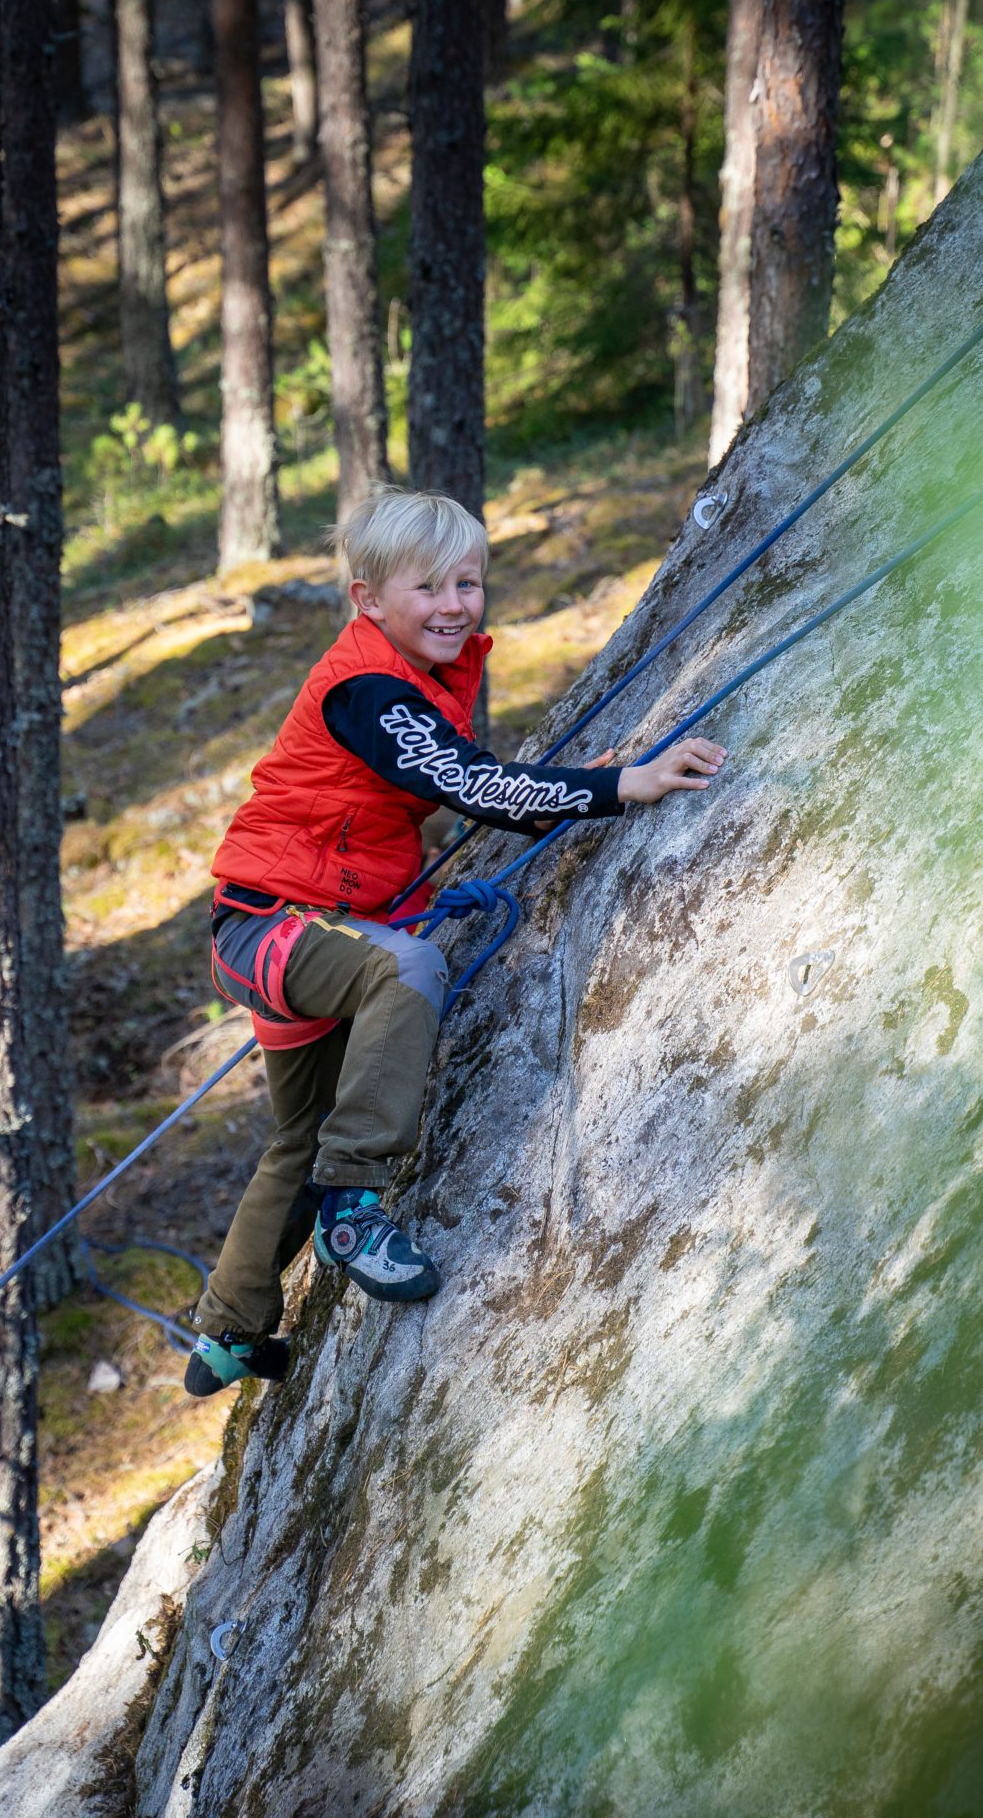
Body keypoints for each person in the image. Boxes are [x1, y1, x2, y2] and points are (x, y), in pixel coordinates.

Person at [185, 488, 725, 1396]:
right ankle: (354, 1208)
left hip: (303, 922)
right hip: (273, 923)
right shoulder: (369, 688)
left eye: (468, 582)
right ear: (369, 603)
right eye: (426, 586)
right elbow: (463, 782)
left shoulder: (425, 673)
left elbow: (451, 782)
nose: (453, 604)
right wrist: (622, 783)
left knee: (299, 1135)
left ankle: (229, 1331)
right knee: (411, 968)